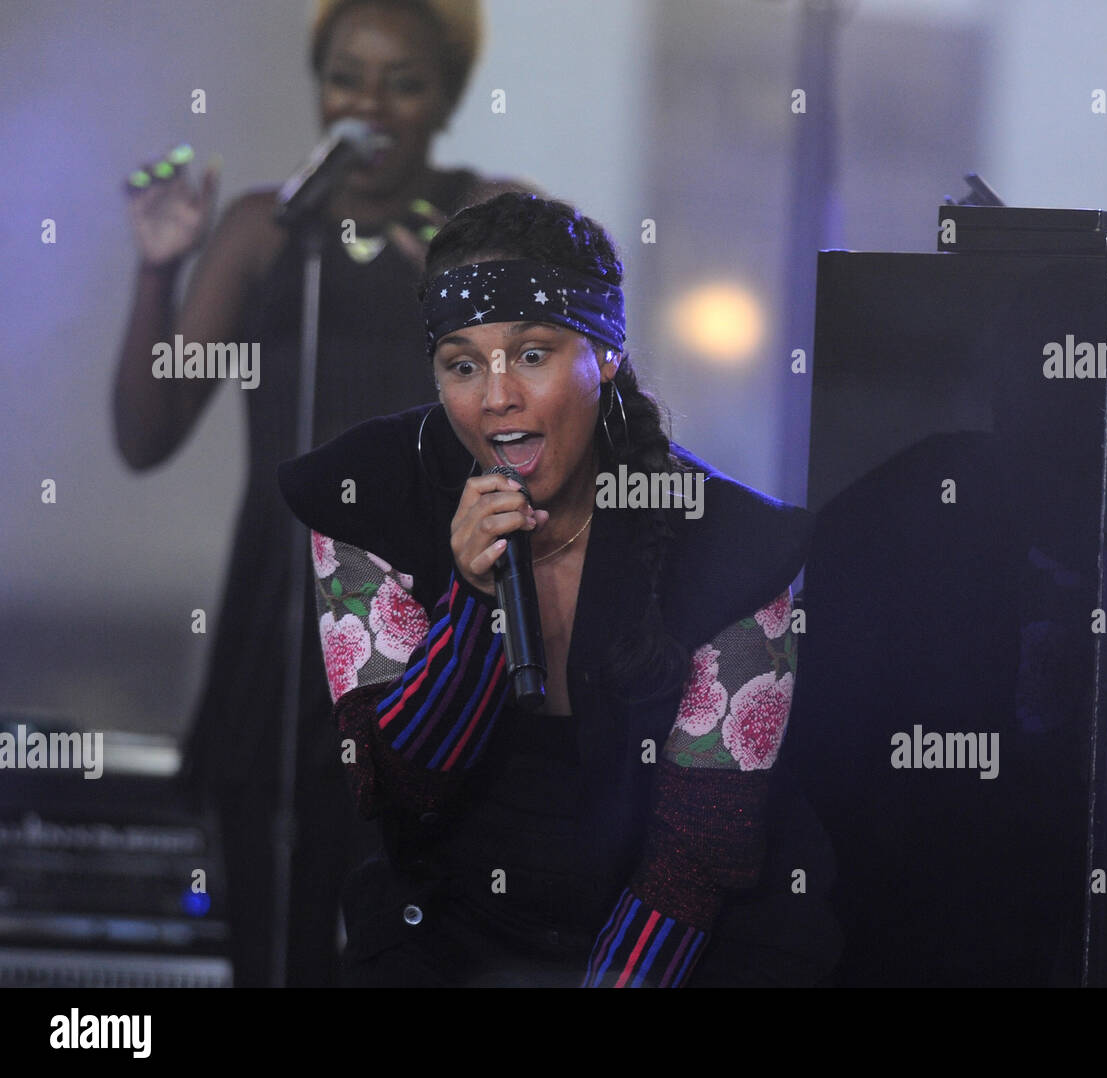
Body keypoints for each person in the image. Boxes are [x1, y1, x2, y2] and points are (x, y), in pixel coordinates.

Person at [278, 192, 842, 986]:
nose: (496, 396)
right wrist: (474, 602)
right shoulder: (365, 493)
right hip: (453, 920)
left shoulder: (737, 544)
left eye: (533, 354)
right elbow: (394, 789)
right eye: (462, 364)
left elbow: (702, 851)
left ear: (605, 355)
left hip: (687, 939)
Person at [111, 0, 536, 986]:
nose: (369, 104)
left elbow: (546, 413)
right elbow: (147, 432)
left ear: (447, 97)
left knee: (423, 936)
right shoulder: (273, 228)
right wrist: (158, 266)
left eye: (403, 81)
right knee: (275, 934)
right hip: (284, 624)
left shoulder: (488, 221)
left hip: (438, 614)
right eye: (347, 76)